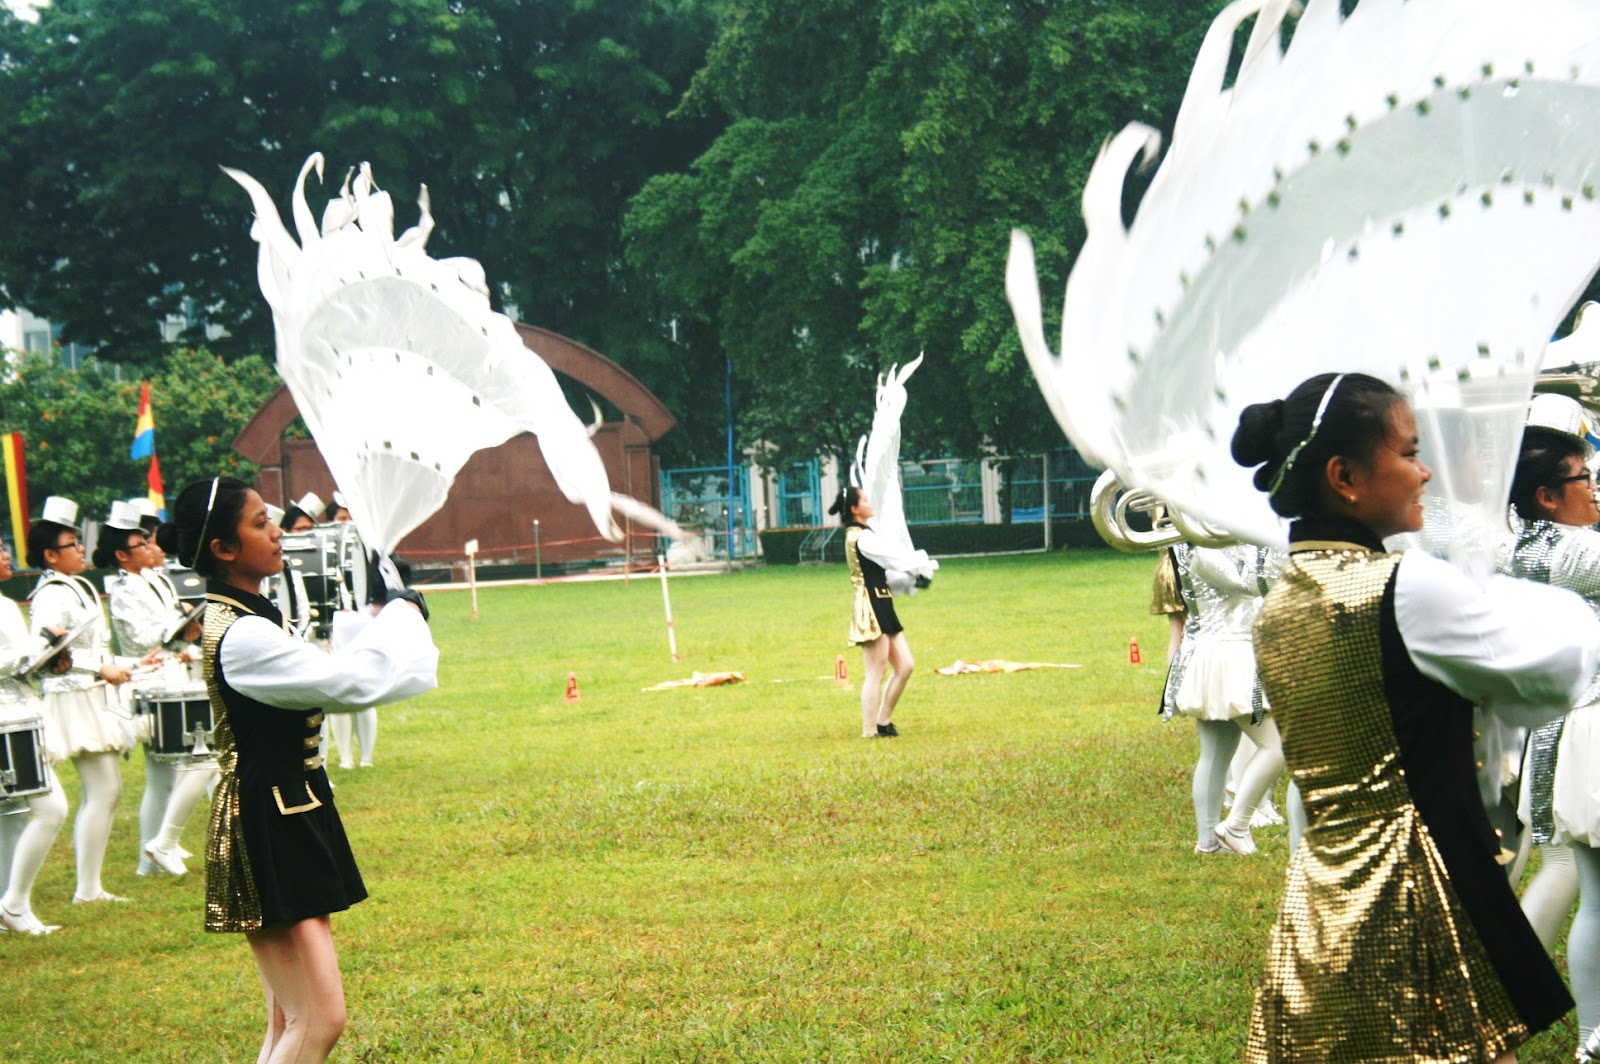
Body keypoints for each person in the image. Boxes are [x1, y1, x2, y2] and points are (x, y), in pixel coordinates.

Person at [1233, 372, 1600, 1062]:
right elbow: (1557, 666)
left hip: (1321, 891)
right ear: (1345, 477)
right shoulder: (1405, 587)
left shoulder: (1281, 602)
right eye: (1407, 453)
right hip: (1418, 887)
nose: (1425, 471)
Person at [158, 476, 436, 1063]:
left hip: (285, 810)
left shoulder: (245, 616)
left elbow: (322, 665)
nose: (278, 531)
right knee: (318, 1020)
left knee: (291, 1018)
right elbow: (346, 683)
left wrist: (382, 613)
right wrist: (403, 615)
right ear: (223, 550)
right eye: (260, 524)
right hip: (271, 820)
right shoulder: (243, 633)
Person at [27, 496, 157, 905]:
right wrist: (98, 669)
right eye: (72, 544)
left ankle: (90, 886)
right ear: (51, 554)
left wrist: (131, 662)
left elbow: (94, 648)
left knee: (106, 790)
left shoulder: (77, 584)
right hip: (73, 697)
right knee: (102, 790)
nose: (81, 549)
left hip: (90, 693)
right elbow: (47, 651)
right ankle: (86, 888)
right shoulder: (51, 591)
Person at [99, 500, 210, 877]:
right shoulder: (125, 588)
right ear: (121, 555)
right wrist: (178, 628)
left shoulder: (159, 579)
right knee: (163, 773)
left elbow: (172, 635)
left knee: (179, 769)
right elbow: (142, 638)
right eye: (142, 545)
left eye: (148, 542)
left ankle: (164, 844)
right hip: (147, 684)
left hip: (173, 680)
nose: (152, 548)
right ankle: (152, 854)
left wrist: (188, 633)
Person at [1162, 543, 1284, 855]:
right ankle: (1236, 826)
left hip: (1224, 653)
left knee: (1216, 754)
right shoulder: (1203, 546)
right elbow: (1251, 584)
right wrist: (1276, 545)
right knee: (1277, 746)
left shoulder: (1218, 540)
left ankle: (1209, 843)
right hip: (1225, 654)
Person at [0, 537, 71, 933]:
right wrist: (42, 643)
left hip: (21, 715)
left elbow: (18, 664)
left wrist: (49, 660)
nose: (6, 554)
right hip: (7, 722)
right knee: (51, 809)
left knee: (11, 814)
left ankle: (8, 906)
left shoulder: (7, 604)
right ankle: (14, 904)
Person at [829, 487, 916, 738]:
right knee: (876, 671)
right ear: (855, 509)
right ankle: (870, 730)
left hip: (883, 602)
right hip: (870, 605)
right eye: (865, 499)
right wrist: (918, 565)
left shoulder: (866, 534)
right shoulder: (860, 537)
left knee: (906, 665)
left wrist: (910, 579)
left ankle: (883, 720)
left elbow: (886, 569)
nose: (870, 500)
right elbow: (893, 559)